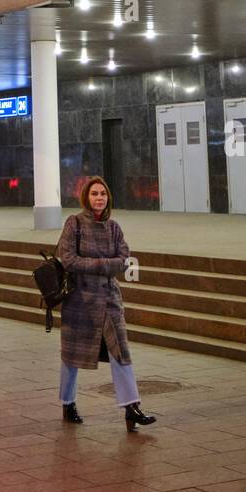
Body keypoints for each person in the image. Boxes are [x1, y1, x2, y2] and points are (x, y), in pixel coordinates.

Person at [55, 175, 156, 431]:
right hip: (80, 301)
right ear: (86, 198)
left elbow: (124, 259)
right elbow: (67, 259)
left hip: (109, 299)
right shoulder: (74, 223)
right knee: (72, 356)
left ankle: (131, 407)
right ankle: (68, 403)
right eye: (94, 194)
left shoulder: (114, 228)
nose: (99, 198)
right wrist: (103, 265)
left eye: (103, 194)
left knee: (120, 351)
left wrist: (100, 265)